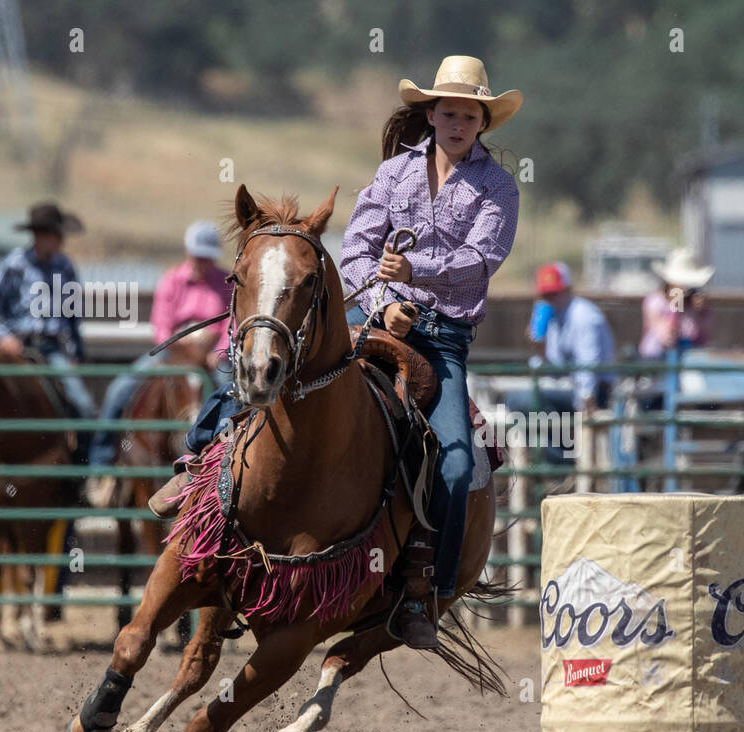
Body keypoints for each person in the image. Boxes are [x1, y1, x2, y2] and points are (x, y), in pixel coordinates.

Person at [148, 54, 522, 651]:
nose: (457, 121)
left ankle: (424, 584)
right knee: (263, 366)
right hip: (371, 312)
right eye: (448, 110)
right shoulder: (395, 175)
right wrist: (384, 297)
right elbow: (355, 249)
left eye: (469, 113)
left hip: (442, 337)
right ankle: (199, 463)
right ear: (430, 114)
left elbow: (481, 261)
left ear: (482, 122)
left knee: (455, 461)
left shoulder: (497, 187)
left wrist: (414, 279)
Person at [86, 221, 231, 502]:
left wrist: (219, 351)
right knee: (120, 389)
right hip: (172, 353)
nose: (202, 261)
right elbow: (161, 328)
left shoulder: (225, 283)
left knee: (233, 392)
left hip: (211, 355)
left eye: (206, 256)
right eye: (198, 255)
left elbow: (229, 324)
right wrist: (180, 347)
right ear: (188, 253)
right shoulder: (171, 281)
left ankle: (231, 461)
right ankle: (102, 466)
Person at [0, 201, 95, 464]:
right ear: (41, 235)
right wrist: (2, 337)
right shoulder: (12, 265)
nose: (62, 240)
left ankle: (81, 473)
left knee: (83, 406)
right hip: (15, 349)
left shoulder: (65, 267)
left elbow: (73, 317)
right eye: (57, 234)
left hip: (51, 350)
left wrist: (75, 354)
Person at [505, 262, 616, 464]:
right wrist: (540, 351)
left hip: (596, 391)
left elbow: (587, 365)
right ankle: (560, 458)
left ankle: (562, 461)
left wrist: (586, 399)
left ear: (568, 290)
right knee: (522, 404)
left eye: (554, 293)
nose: (550, 299)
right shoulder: (554, 316)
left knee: (522, 401)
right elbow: (553, 368)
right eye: (546, 294)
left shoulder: (584, 316)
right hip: (570, 387)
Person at [639, 248, 714, 360]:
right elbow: (668, 337)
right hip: (656, 358)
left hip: (689, 359)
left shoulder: (694, 305)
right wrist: (675, 306)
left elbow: (702, 336)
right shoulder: (656, 301)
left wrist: (701, 312)